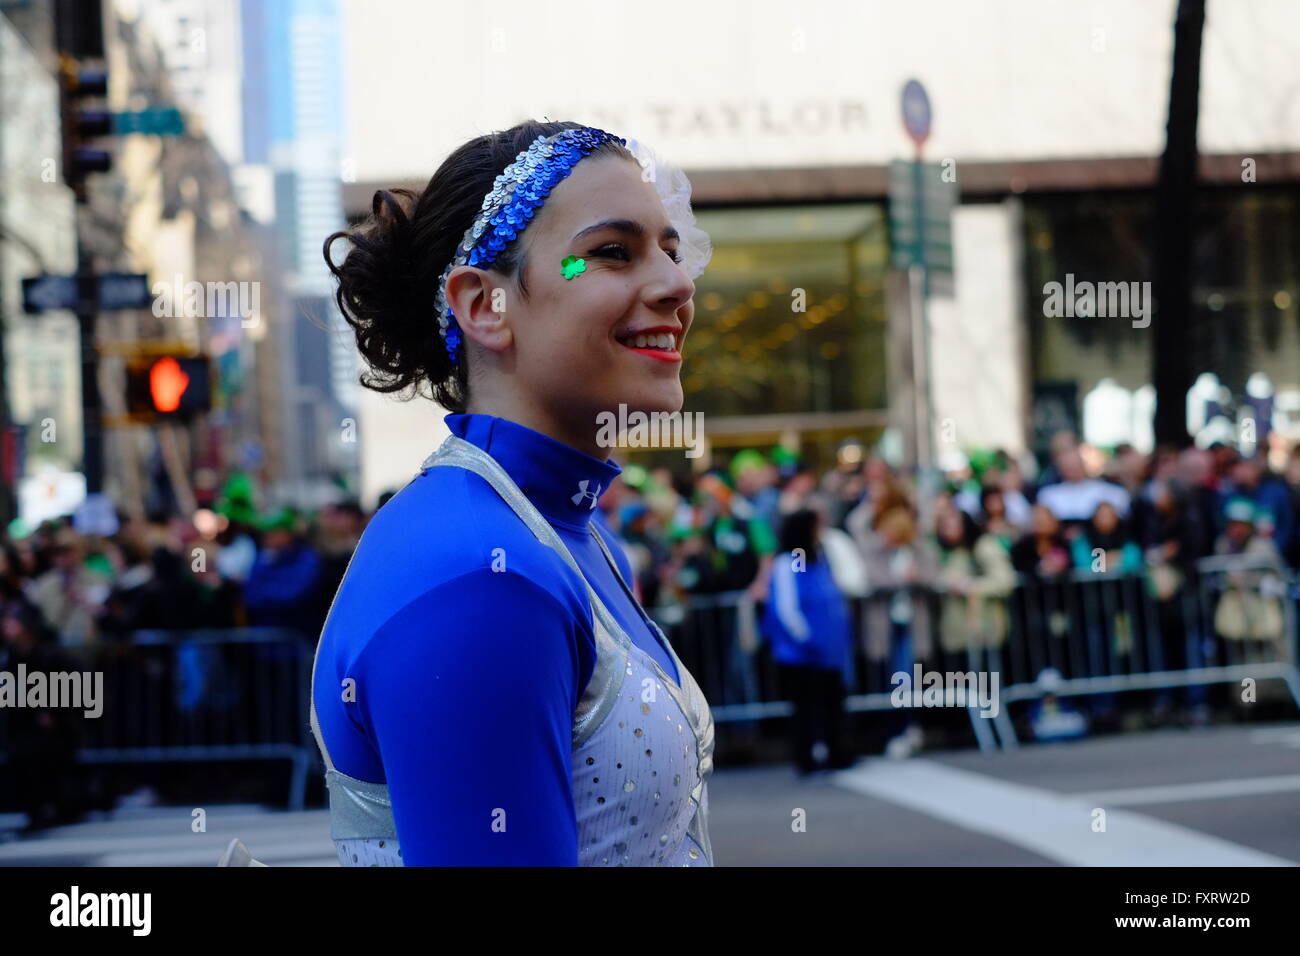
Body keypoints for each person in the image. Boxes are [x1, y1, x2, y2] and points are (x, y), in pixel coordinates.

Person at [309, 122, 715, 867]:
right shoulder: (480, 572)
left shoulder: (563, 530)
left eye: (669, 248)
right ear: (484, 304)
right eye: (611, 252)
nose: (676, 284)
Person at [761, 509, 855, 776]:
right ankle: (807, 757)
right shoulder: (786, 563)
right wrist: (806, 638)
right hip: (802, 650)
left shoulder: (820, 558)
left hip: (827, 648)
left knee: (833, 702)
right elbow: (786, 608)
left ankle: (838, 752)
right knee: (805, 706)